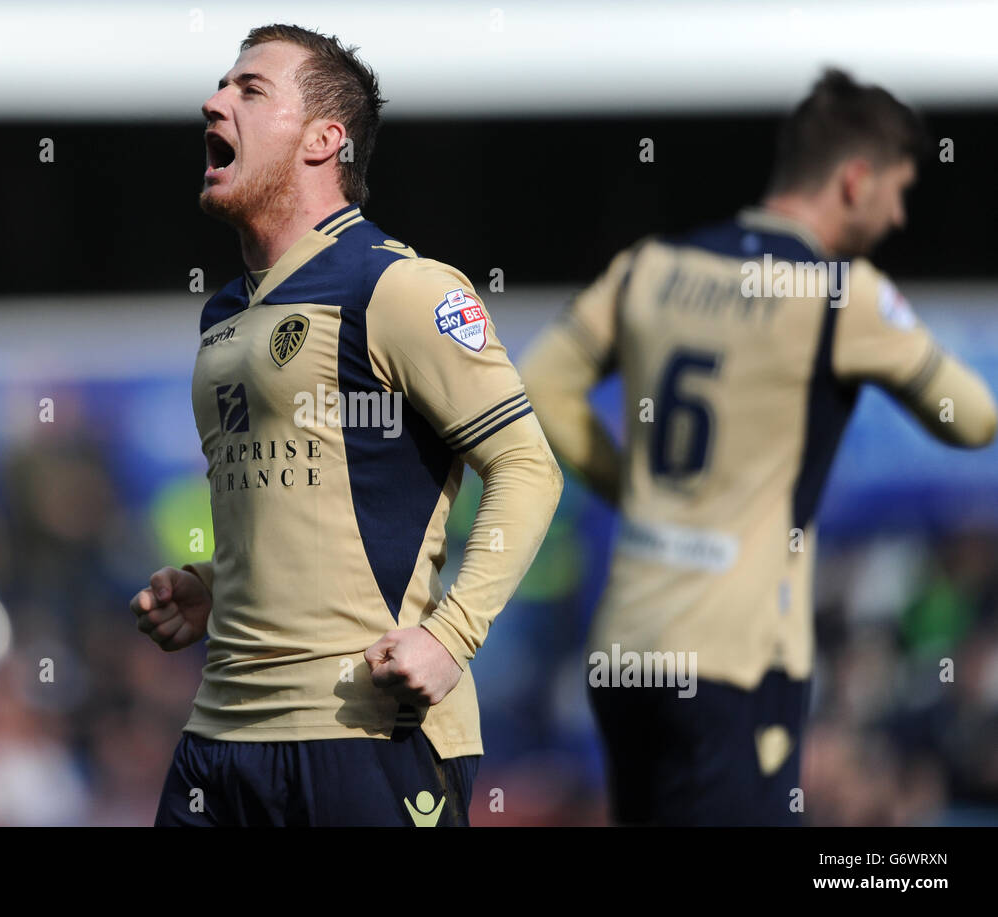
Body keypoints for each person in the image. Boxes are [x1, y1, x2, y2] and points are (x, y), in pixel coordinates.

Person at [520, 69, 997, 826]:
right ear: (854, 180)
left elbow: (541, 382)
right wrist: (892, 326)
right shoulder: (843, 295)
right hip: (735, 660)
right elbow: (973, 420)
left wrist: (630, 488)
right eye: (898, 191)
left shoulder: (652, 265)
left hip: (627, 648)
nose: (902, 215)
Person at [132, 23, 562, 827]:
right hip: (217, 740)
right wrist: (213, 589)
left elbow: (528, 468)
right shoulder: (223, 317)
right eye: (224, 86)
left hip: (362, 736)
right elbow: (308, 508)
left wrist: (451, 637)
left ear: (325, 139)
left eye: (249, 90)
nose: (214, 101)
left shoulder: (398, 287)